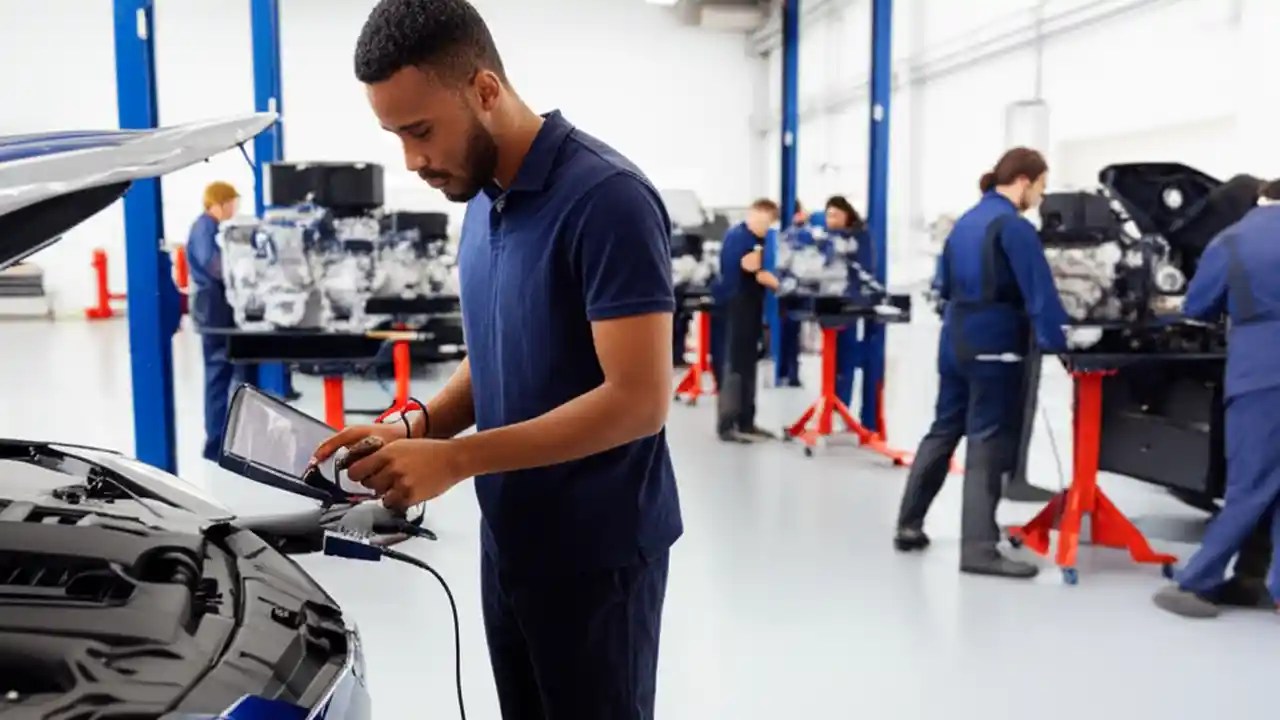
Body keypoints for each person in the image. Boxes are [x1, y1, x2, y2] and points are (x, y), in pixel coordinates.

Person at [312, 2, 683, 716]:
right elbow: (500, 351)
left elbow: (639, 402)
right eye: (395, 136)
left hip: (597, 555)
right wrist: (417, 431)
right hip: (511, 539)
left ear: (485, 90)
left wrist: (457, 461)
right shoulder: (484, 201)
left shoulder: (608, 202)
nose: (412, 161)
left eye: (421, 131)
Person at [893, 147, 1069, 579]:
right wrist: (1062, 344)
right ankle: (979, 549)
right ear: (1024, 181)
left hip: (955, 337)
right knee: (987, 442)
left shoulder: (965, 223)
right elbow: (1039, 293)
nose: (1041, 197)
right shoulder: (1014, 227)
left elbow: (942, 284)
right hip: (995, 341)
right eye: (1042, 187)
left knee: (945, 428)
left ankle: (909, 523)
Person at [1153, 179, 1280, 619]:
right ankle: (1267, 584)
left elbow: (1198, 306)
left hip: (1260, 376)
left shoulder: (1232, 239)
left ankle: (1197, 580)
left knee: (1249, 485)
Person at [187, 181, 255, 462]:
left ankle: (228, 439)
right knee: (218, 377)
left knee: (230, 375)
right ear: (220, 202)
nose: (234, 209)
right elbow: (214, 265)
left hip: (219, 313)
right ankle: (214, 443)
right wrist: (245, 274)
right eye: (232, 203)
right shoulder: (205, 227)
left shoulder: (213, 228)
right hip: (214, 315)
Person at [717, 198, 782, 443]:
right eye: (766, 221)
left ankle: (747, 420)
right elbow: (750, 265)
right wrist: (782, 286)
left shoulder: (757, 238)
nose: (767, 227)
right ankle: (728, 424)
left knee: (747, 366)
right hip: (736, 306)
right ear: (755, 214)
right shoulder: (739, 237)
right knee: (735, 366)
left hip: (751, 306)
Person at [823, 195, 875, 409]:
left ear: (847, 215)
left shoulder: (859, 237)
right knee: (831, 356)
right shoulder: (826, 238)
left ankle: (841, 402)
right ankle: (830, 398)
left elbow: (865, 268)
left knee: (847, 354)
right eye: (828, 215)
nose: (831, 220)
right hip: (828, 300)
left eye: (836, 215)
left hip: (849, 303)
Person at [767, 201, 809, 387]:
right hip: (793, 290)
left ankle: (785, 371)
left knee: (787, 332)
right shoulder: (798, 235)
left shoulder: (782, 236)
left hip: (785, 290)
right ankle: (790, 372)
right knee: (791, 333)